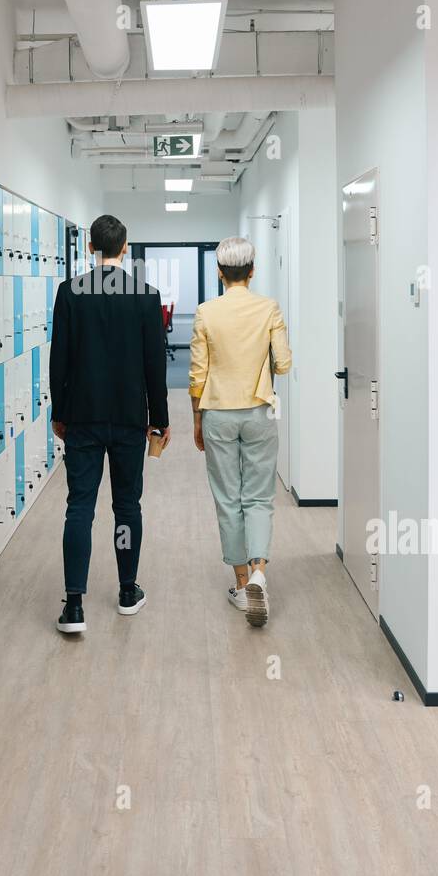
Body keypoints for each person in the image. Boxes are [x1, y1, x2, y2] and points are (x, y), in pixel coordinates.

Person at [50, 214, 170, 634]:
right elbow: (155, 363)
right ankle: (126, 591)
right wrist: (160, 419)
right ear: (125, 248)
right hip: (128, 419)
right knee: (126, 505)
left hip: (81, 417)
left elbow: (59, 358)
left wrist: (58, 413)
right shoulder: (144, 295)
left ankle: (74, 606)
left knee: (79, 506)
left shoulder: (70, 293)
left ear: (89, 247)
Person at [189, 237, 292, 627]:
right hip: (259, 411)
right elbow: (282, 364)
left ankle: (241, 584)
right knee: (260, 497)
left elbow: (197, 373)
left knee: (228, 498)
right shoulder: (268, 309)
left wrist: (196, 418)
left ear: (219, 272)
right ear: (252, 271)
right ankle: (260, 573)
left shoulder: (206, 312)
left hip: (217, 411)